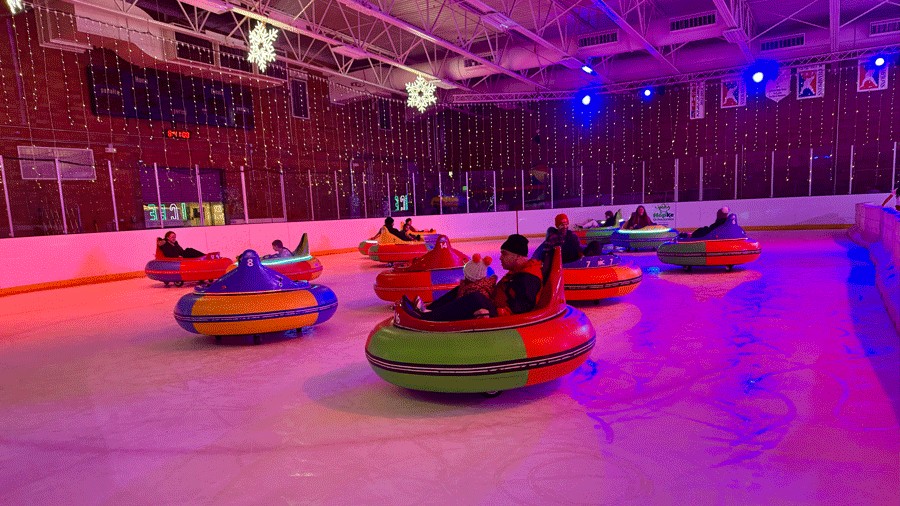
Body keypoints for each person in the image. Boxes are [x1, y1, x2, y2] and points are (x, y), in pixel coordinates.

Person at [403, 234, 543, 321]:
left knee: (476, 298)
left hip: (502, 315)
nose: (500, 258)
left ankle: (428, 318)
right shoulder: (518, 271)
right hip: (496, 305)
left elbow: (523, 307)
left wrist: (495, 311)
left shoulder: (528, 277)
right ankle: (429, 309)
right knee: (465, 287)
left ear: (518, 256)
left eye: (504, 254)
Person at [416, 254, 497, 313]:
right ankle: (430, 308)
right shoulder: (471, 284)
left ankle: (431, 314)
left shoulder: (475, 289)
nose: (464, 277)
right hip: (471, 306)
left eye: (466, 275)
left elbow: (460, 302)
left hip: (470, 312)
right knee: (456, 290)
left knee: (455, 301)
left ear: (471, 278)